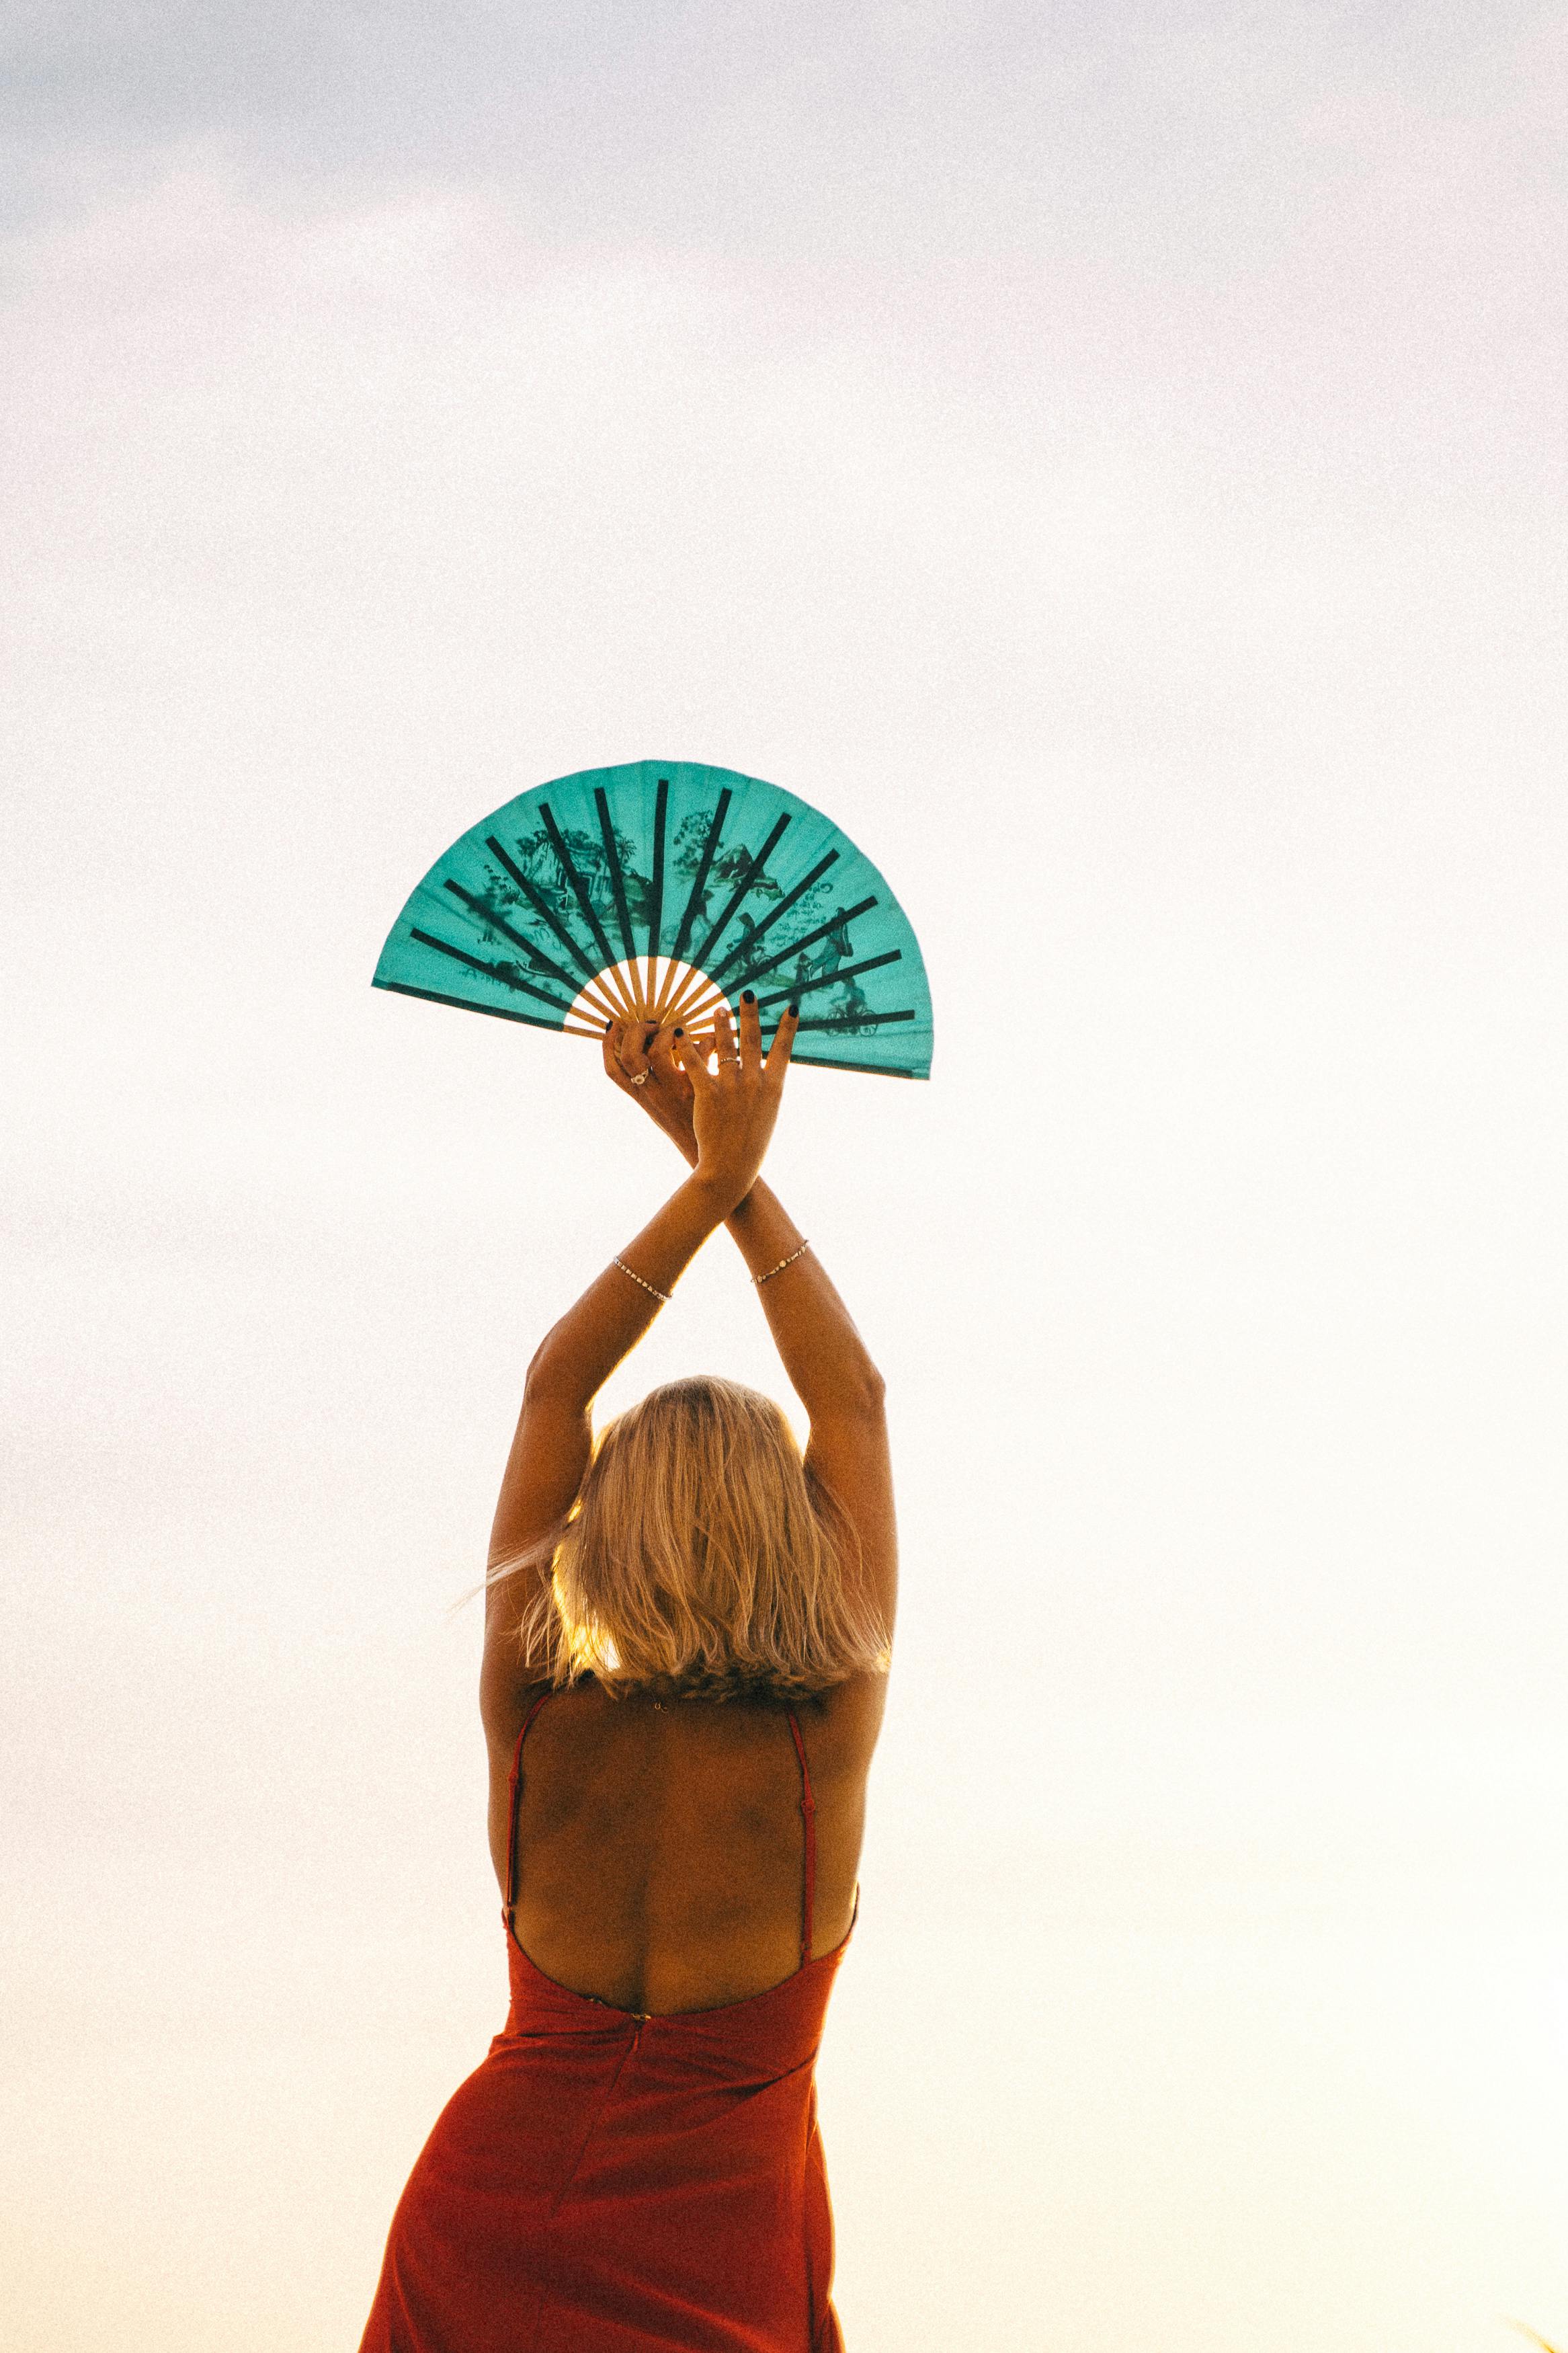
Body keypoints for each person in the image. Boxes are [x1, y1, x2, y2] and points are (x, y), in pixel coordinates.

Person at [359, 990, 897, 2353]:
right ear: (793, 1527)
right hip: (716, 2253)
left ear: (609, 1522)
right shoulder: (823, 1734)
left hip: (485, 2215)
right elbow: (855, 1404)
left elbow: (555, 1386)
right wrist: (733, 1177)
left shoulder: (532, 1711)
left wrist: (704, 1171)